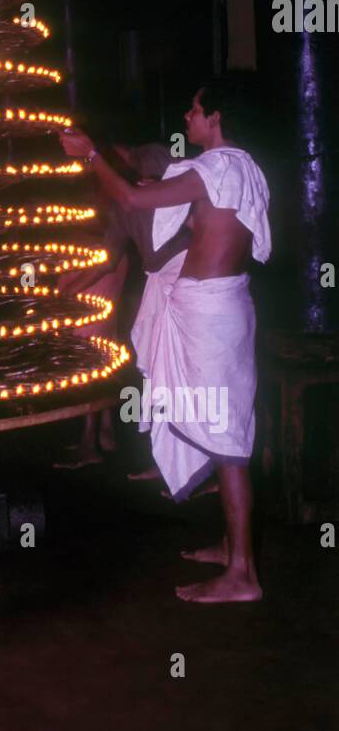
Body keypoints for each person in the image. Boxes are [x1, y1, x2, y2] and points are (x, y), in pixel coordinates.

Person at [60, 77, 271, 604]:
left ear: (217, 117)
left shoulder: (215, 168)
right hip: (225, 306)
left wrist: (90, 154)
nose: (188, 116)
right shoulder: (246, 168)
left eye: (196, 109)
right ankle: (232, 546)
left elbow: (132, 194)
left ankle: (242, 574)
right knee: (228, 431)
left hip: (210, 312)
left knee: (228, 442)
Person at [55, 143, 190, 470]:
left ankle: (185, 463)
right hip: (158, 278)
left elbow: (190, 187)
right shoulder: (117, 207)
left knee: (180, 371)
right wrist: (63, 295)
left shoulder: (150, 160)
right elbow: (108, 259)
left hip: (189, 275)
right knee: (154, 366)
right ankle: (158, 457)